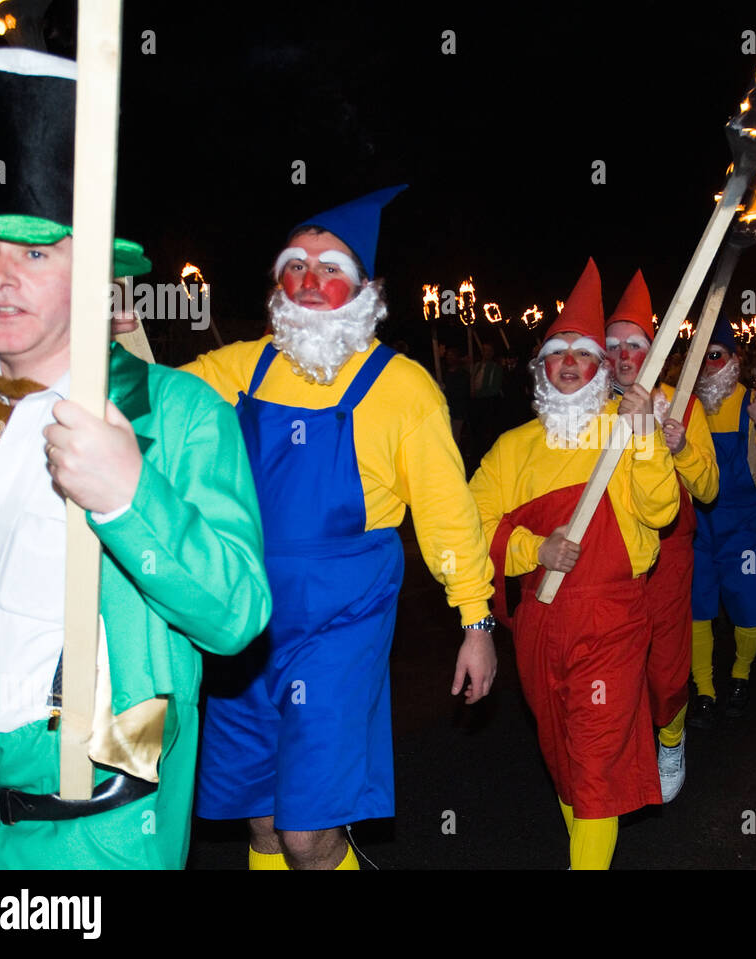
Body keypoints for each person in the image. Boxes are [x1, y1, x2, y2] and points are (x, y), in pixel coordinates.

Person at [0, 49, 271, 868]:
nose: (1, 277)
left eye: (35, 253)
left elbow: (238, 614)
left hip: (98, 827)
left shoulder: (178, 411)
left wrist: (132, 496)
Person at [182, 188, 498, 870]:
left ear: (365, 290)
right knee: (261, 821)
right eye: (297, 265)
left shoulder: (403, 386)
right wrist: (110, 337)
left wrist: (477, 619)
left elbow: (447, 512)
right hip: (244, 620)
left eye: (332, 269)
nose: (312, 280)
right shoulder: (240, 367)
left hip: (341, 622)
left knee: (307, 833)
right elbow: (149, 407)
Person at [470, 258, 680, 868]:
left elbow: (662, 509)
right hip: (540, 619)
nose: (568, 363)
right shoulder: (512, 449)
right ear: (540, 369)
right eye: (556, 353)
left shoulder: (629, 424)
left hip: (613, 619)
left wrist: (643, 438)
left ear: (601, 370)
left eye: (583, 354)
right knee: (564, 755)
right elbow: (470, 526)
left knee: (595, 761)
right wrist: (535, 548)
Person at [605, 270, 717, 802]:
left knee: (667, 659)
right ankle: (617, 746)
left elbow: (711, 487)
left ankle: (671, 738)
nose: (624, 355)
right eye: (613, 345)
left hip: (668, 553)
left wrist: (679, 448)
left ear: (656, 349)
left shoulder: (684, 405)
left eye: (636, 345)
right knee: (610, 660)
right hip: (607, 556)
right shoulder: (582, 405)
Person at [687, 314, 756, 727]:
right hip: (697, 523)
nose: (709, 365)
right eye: (700, 357)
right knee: (697, 606)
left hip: (744, 523)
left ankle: (741, 675)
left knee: (748, 601)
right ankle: (705, 689)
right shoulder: (684, 405)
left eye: (716, 355)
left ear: (734, 358)